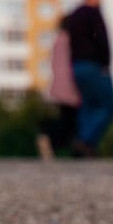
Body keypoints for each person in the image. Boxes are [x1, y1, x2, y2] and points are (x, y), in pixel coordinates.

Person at [62, 0, 113, 158]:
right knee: (109, 105)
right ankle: (85, 141)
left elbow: (68, 42)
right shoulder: (93, 13)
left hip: (76, 66)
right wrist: (106, 64)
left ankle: (84, 146)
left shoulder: (75, 15)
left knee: (87, 106)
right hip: (93, 65)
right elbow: (102, 39)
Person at [37, 20, 81, 160]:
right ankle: (49, 136)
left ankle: (49, 137)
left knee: (66, 119)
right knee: (70, 121)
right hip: (69, 86)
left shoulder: (58, 40)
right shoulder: (70, 40)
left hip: (59, 86)